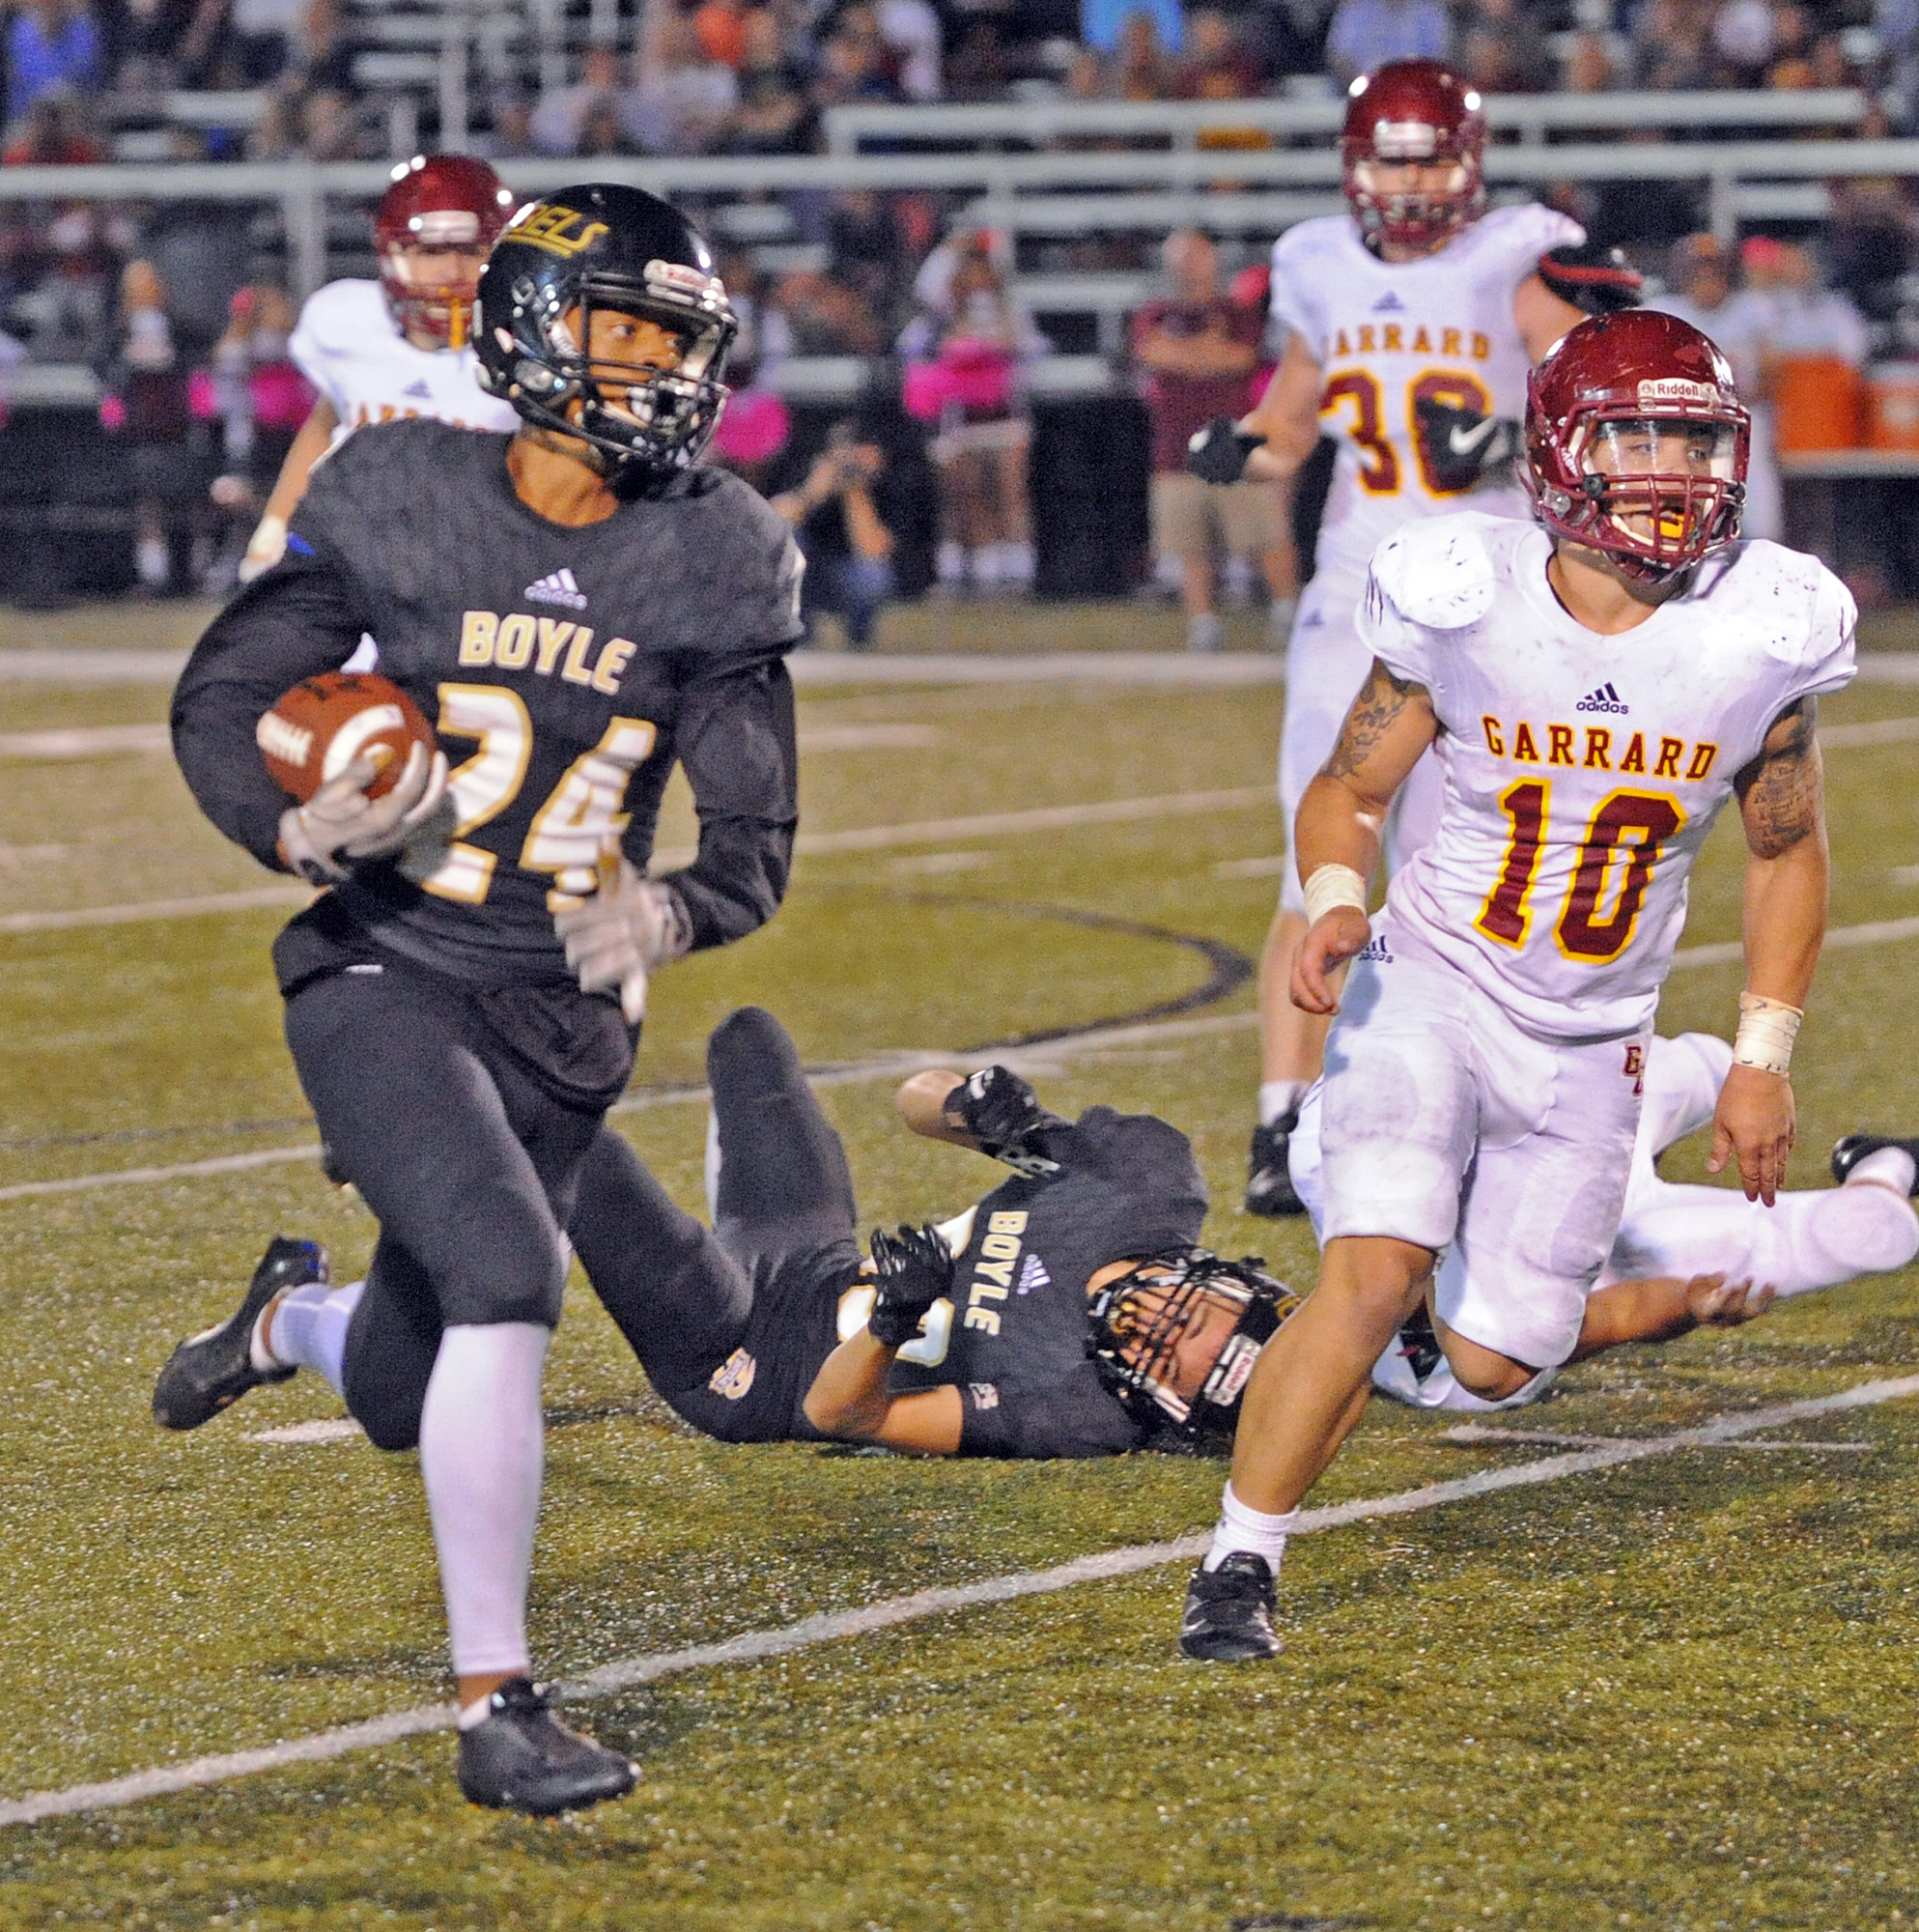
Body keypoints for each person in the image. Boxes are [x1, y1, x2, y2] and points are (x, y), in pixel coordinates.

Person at [158, 184, 804, 1813]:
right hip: (383, 967)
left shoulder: (714, 550)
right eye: (626, 331)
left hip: (555, 1023)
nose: (660, 370)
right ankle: (497, 1704)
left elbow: (753, 844)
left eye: (677, 339)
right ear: (529, 327)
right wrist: (287, 820)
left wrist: (668, 908)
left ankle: (281, 1321)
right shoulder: (403, 491)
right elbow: (227, 690)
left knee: (402, 1376)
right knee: (511, 1277)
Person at [1175, 307, 1856, 1663]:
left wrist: (1756, 1055)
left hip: (1590, 1032)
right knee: (1373, 1274)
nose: (1671, 471)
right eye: (1636, 436)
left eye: (1693, 439)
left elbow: (1783, 850)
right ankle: (1234, 1564)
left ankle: (1666, 1079)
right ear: (1557, 452)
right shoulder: (1462, 592)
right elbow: (1347, 786)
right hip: (1429, 982)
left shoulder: (1760, 629)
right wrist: (1330, 900)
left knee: (1487, 1366)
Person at [174, 1009, 1919, 1463]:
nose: (1159, 1343)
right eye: (1195, 1331)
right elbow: (931, 1098)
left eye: (1179, 1382)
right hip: (819, 1246)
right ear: (1233, 1288)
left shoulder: (1070, 1410)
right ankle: (302, 1314)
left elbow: (849, 1418)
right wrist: (989, 1113)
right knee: (757, 1048)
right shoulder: (1146, 1191)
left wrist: (895, 1317)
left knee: (554, 1146)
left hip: (756, 1355)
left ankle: (358, 1213)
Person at [1185, 59, 1639, 1221]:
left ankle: (1479, 1109)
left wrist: (1501, 439)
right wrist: (1244, 447)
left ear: (1470, 163)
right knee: (1321, 845)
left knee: (1474, 867)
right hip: (1359, 585)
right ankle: (1284, 1114)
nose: (1412, 181)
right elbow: (1297, 417)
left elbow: (1587, 381)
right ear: (1353, 163)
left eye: (1432, 157)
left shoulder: (1517, 250)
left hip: (1489, 594)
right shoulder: (1314, 261)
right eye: (1391, 158)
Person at [240, 154, 521, 583]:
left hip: (478, 569)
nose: (450, 270)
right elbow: (324, 426)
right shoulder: (347, 322)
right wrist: (275, 526)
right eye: (430, 251)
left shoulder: (523, 348)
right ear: (391, 253)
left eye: (469, 250)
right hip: (354, 560)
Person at [1132, 230, 1295, 655]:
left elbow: (1238, 359)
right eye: (1180, 256)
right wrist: (1205, 353)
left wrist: (1184, 356)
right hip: (1175, 445)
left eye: (1195, 254)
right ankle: (1203, 623)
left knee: (1265, 535)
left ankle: (1286, 611)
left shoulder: (1237, 311)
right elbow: (1153, 354)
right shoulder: (1154, 312)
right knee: (1191, 544)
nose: (1188, 263)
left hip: (1231, 441)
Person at [767, 414, 903, 652]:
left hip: (849, 573)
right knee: (788, 550)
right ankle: (799, 629)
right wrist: (813, 493)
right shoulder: (809, 473)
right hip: (810, 573)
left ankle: (859, 634)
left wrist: (854, 494)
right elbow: (772, 520)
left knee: (874, 576)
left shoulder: (889, 487)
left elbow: (872, 551)